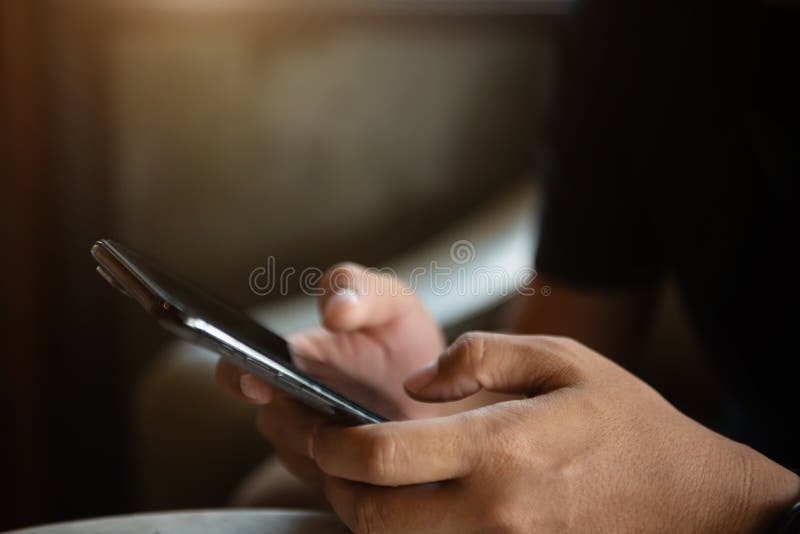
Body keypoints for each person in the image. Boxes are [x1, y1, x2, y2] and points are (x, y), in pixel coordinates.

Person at [217, 0, 800, 531]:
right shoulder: (636, 26)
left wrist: (734, 506)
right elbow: (562, 362)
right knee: (270, 498)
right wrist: (428, 405)